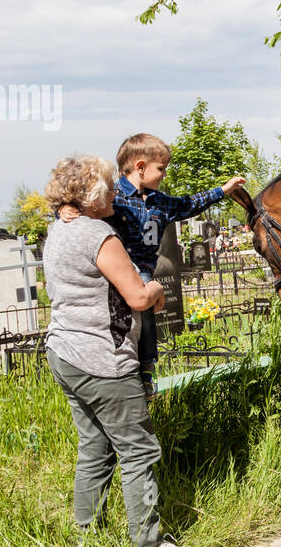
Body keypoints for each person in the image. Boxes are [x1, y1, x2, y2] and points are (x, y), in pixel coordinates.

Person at [42, 155, 186, 547]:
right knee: (138, 450)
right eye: (107, 185)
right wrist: (157, 285)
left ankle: (87, 544)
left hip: (66, 352)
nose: (113, 191)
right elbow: (139, 298)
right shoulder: (99, 235)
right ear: (90, 195)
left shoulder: (58, 230)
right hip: (103, 359)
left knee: (95, 448)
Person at [105, 134, 245, 396]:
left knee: (145, 297)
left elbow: (190, 204)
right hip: (114, 269)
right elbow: (82, 204)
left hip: (143, 271)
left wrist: (223, 190)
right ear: (140, 166)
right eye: (161, 169)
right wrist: (65, 208)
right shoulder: (111, 196)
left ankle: (146, 368)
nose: (164, 175)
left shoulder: (162, 202)